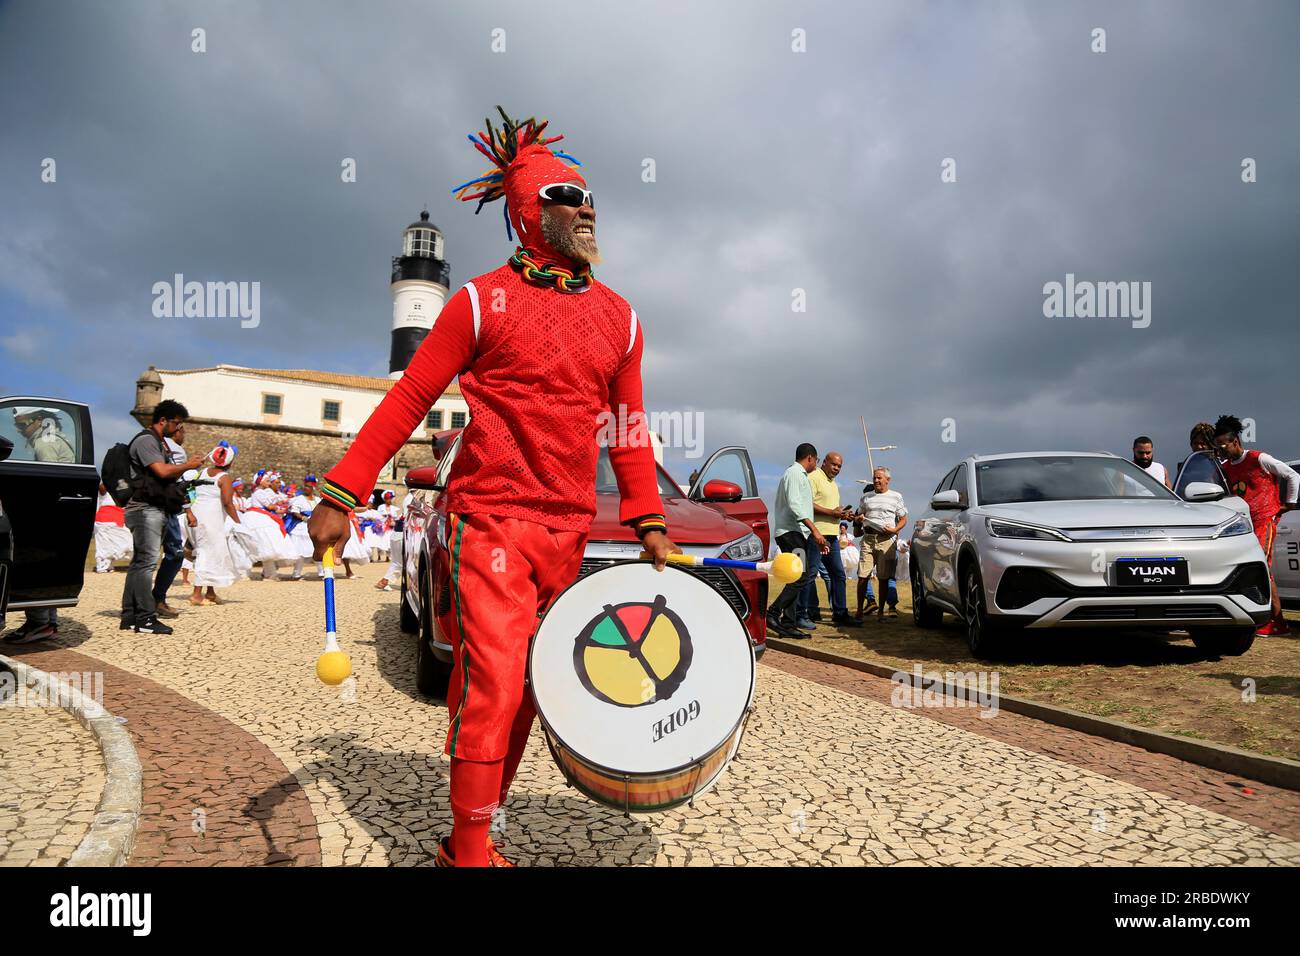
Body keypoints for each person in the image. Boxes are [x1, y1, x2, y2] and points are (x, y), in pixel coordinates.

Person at [308, 107, 679, 868]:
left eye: (589, 195)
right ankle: (469, 853)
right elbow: (410, 397)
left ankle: (480, 822)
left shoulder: (622, 319)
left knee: (533, 689)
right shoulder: (478, 300)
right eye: (567, 195)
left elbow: (630, 426)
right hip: (490, 522)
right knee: (497, 682)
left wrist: (647, 517)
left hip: (568, 530)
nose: (587, 207)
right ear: (528, 211)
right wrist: (341, 493)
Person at [118, 400, 205, 635]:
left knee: (140, 564)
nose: (178, 428)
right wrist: (190, 465)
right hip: (145, 509)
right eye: (176, 423)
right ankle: (145, 618)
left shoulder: (157, 442)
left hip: (151, 508)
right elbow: (161, 471)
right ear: (163, 420)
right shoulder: (147, 440)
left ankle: (130, 615)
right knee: (145, 564)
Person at [1213, 415, 1299, 636]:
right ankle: (1264, 619)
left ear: (1235, 442)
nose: (1221, 449)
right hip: (1243, 524)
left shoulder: (1259, 458)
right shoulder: (1225, 468)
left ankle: (1277, 622)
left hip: (1264, 520)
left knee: (1261, 568)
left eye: (1224, 445)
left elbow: (1291, 475)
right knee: (1251, 570)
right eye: (1218, 445)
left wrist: (1289, 503)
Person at [2, 408, 78, 643]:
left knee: (34, 560)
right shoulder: (54, 438)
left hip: (49, 514)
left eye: (22, 425)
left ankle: (39, 622)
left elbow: (48, 481)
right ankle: (48, 622)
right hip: (61, 513)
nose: (19, 430)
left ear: (37, 421)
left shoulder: (44, 444)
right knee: (46, 564)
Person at [766, 443, 829, 638]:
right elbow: (795, 504)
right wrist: (815, 531)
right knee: (800, 576)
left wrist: (812, 535)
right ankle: (773, 613)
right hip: (790, 533)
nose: (816, 465)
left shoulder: (799, 475)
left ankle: (788, 623)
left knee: (795, 576)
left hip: (795, 533)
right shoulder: (794, 473)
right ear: (809, 458)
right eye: (817, 461)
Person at [803, 452, 858, 628]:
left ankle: (840, 613)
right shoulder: (814, 477)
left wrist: (844, 515)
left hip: (832, 535)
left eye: (839, 466)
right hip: (816, 534)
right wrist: (831, 512)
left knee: (838, 574)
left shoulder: (833, 484)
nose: (836, 469)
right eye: (833, 464)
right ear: (824, 462)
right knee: (810, 574)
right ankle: (807, 612)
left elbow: (832, 510)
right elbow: (806, 504)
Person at [188, 442, 242, 605]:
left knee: (211, 551)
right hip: (212, 516)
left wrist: (191, 508)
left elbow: (191, 490)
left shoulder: (201, 472)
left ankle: (210, 592)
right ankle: (197, 595)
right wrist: (238, 521)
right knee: (207, 552)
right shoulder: (224, 478)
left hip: (197, 513)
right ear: (230, 462)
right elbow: (227, 502)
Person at [151, 423, 194, 619]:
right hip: (166, 507)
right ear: (177, 430)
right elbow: (178, 483)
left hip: (151, 505)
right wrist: (189, 510)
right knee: (175, 554)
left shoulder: (154, 443)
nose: (184, 435)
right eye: (183, 430)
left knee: (146, 558)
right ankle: (157, 599)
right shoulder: (176, 450)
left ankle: (143, 602)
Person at [855, 466, 908, 620]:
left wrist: (894, 529)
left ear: (887, 480)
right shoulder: (866, 497)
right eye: (874, 478)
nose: (876, 480)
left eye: (879, 478)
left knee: (884, 578)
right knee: (862, 576)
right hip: (868, 539)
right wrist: (858, 519)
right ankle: (859, 610)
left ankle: (881, 612)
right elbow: (859, 515)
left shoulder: (896, 497)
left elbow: (904, 518)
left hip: (886, 541)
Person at [287, 476, 322, 579]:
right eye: (305, 486)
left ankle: (322, 572)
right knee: (300, 552)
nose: (306, 488)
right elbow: (295, 512)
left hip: (315, 526)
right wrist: (304, 518)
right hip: (302, 527)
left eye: (308, 487)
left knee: (318, 549)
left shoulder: (318, 500)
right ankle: (296, 574)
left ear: (313, 488)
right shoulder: (299, 499)